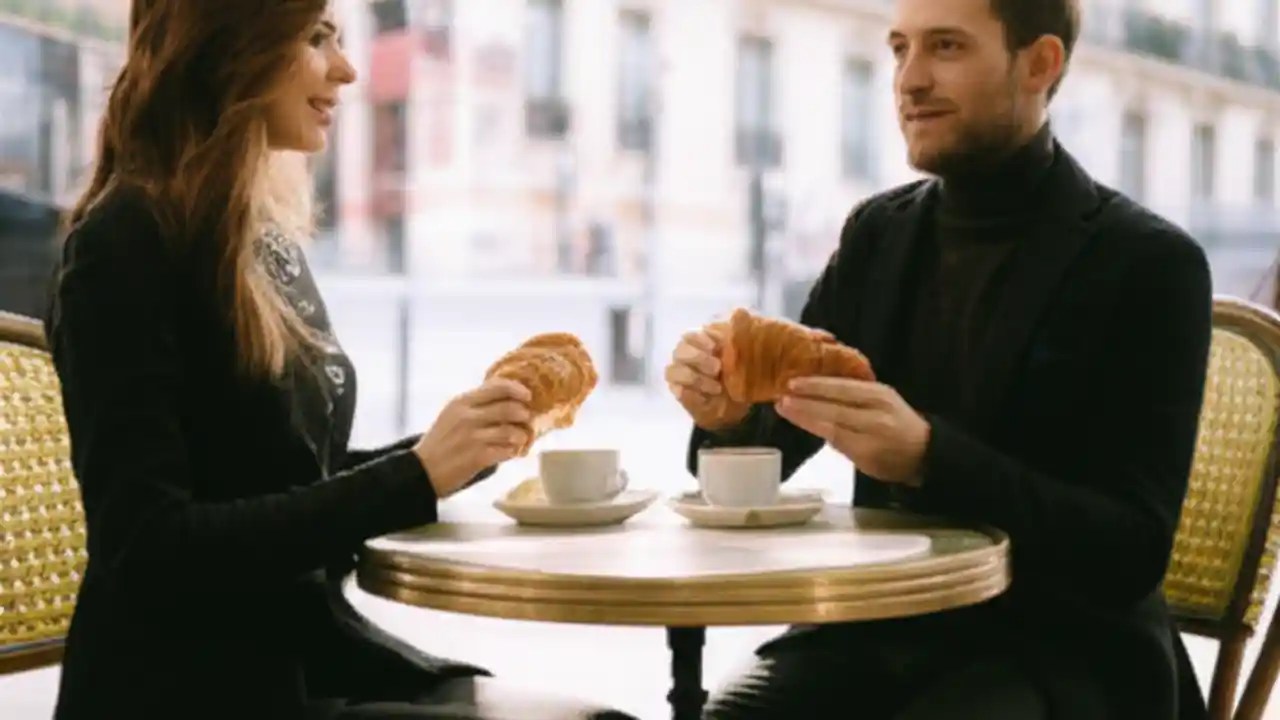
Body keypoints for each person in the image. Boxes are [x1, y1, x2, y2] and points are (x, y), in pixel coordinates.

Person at [44, 2, 634, 719]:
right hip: (193, 690)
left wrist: (449, 454)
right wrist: (411, 477)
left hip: (297, 665)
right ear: (233, 43)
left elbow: (279, 481)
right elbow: (150, 549)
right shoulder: (124, 243)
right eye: (316, 37)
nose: (347, 70)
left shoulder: (255, 239)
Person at [665, 0, 1213, 718]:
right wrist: (730, 416)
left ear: (1040, 64)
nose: (908, 80)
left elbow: (1130, 548)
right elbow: (774, 444)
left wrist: (929, 455)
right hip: (871, 636)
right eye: (899, 48)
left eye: (946, 47)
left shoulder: (1148, 262)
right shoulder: (878, 235)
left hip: (1063, 656)